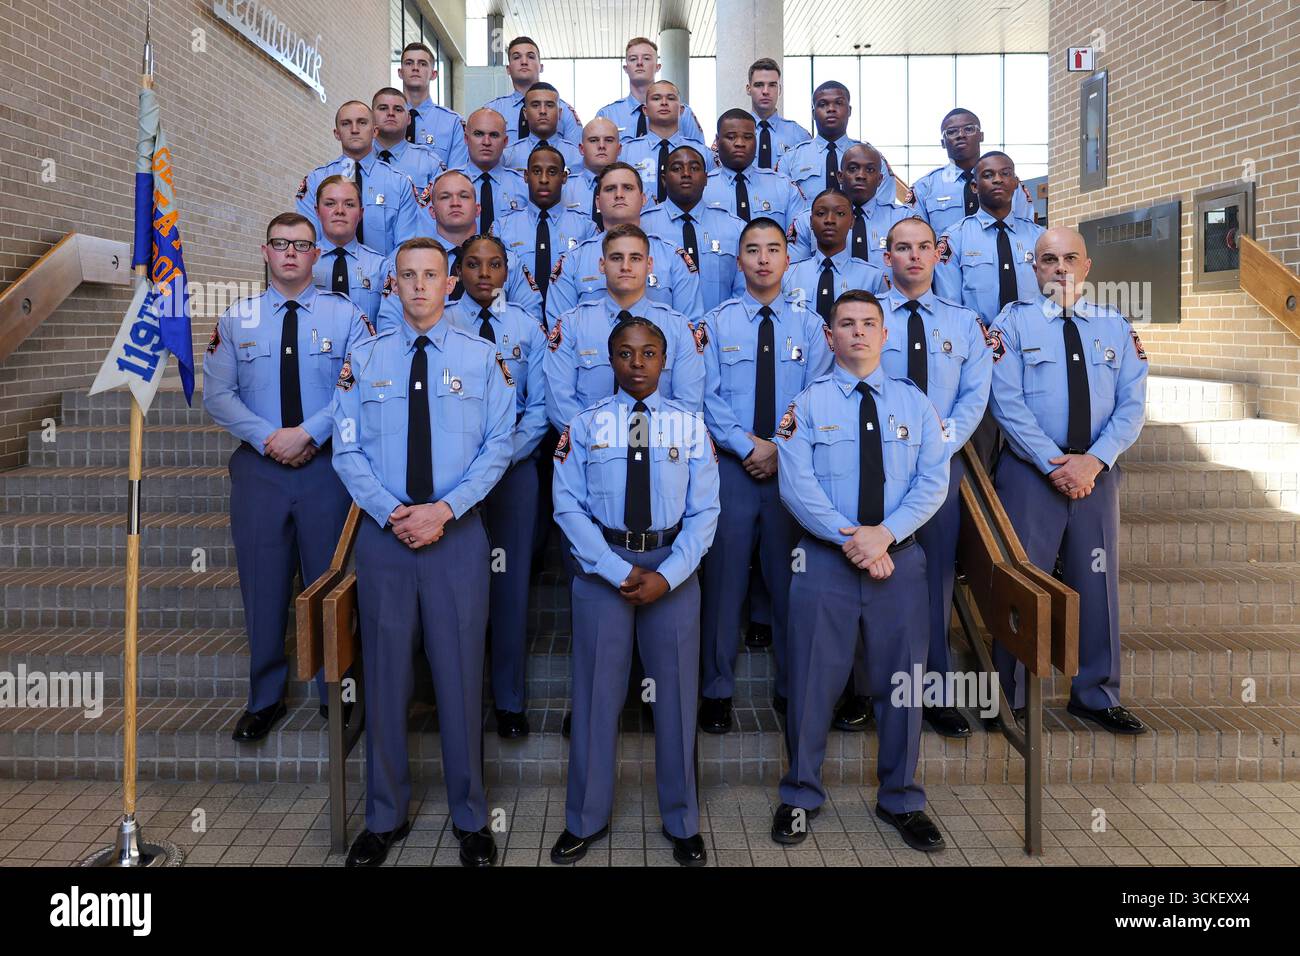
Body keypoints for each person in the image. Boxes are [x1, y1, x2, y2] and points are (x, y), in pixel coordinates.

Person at [331, 237, 514, 868]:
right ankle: (384, 815)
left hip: (457, 538)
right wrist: (391, 512)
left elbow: (499, 445)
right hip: (385, 540)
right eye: (406, 275)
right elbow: (347, 448)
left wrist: (444, 510)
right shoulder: (363, 360)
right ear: (394, 285)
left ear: (451, 284)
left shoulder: (485, 359)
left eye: (430, 274)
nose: (417, 285)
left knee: (461, 677)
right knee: (384, 678)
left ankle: (470, 816)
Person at [772, 289, 948, 853]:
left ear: (884, 332)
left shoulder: (915, 404)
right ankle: (800, 795)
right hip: (826, 561)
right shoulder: (807, 405)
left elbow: (932, 481)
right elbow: (797, 487)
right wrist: (854, 540)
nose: (858, 333)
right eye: (846, 324)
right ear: (829, 336)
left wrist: (885, 535)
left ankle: (901, 797)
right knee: (810, 682)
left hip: (900, 560)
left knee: (902, 684)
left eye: (868, 323)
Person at [550, 315, 720, 865]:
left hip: (671, 567)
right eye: (626, 354)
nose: (638, 364)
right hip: (605, 568)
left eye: (649, 354)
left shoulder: (690, 428)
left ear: (664, 360)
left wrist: (669, 574)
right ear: (611, 359)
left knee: (674, 699)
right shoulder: (584, 425)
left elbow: (705, 511)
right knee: (598, 696)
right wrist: (608, 566)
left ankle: (682, 819)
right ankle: (586, 817)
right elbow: (567, 506)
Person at [203, 213, 371, 742]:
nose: (292, 253)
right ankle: (265, 697)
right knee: (263, 583)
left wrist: (310, 434)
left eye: (302, 244)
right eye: (281, 244)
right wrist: (267, 437)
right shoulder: (237, 319)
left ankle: (334, 693)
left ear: (316, 254)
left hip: (327, 468)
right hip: (261, 471)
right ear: (266, 251)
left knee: (330, 585)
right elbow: (218, 395)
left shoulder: (346, 317)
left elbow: (358, 386)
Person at [988, 226, 1148, 735]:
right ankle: (1005, 697)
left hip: (1096, 475)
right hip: (1032, 473)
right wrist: (1055, 462)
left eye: (1070, 258)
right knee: (1022, 583)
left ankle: (1096, 694)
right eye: (1049, 259)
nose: (1060, 268)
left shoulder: (1115, 326)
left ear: (1087, 267)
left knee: (1097, 581)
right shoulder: (1011, 326)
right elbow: (1005, 402)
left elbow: (1132, 404)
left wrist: (1095, 461)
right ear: (1034, 268)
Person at [698, 218, 831, 732]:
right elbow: (704, 395)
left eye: (773, 249)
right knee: (724, 582)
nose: (762, 259)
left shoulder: (809, 324)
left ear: (786, 260)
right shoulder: (716, 323)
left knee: (789, 581)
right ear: (739, 260)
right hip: (731, 469)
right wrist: (744, 444)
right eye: (752, 250)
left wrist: (779, 448)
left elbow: (818, 394)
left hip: (790, 473)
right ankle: (715, 689)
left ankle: (791, 688)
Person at [871, 215, 991, 739]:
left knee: (937, 581)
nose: (914, 256)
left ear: (938, 255)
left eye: (923, 247)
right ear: (886, 256)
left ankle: (935, 693)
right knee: (875, 578)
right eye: (902, 248)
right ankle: (870, 689)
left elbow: (974, 395)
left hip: (941, 467)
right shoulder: (868, 318)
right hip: (878, 469)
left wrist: (939, 446)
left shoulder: (964, 322)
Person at [446, 235, 549, 738]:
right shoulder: (441, 323)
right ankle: (456, 699)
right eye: (473, 264)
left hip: (512, 476)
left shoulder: (527, 327)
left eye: (494, 264)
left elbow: (541, 407)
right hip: (452, 481)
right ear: (458, 270)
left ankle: (509, 700)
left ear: (508, 270)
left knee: (509, 590)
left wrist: (500, 459)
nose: (484, 273)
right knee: (456, 590)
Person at [544, 223, 706, 430]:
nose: (626, 266)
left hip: (661, 450)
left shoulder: (679, 328)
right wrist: (602, 445)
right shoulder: (570, 326)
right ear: (602, 265)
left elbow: (688, 405)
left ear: (649, 265)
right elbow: (560, 402)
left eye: (635, 258)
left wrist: (645, 442)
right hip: (589, 452)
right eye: (616, 257)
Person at [376, 170, 543, 326]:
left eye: (463, 196)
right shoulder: (407, 261)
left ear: (478, 210)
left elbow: (531, 322)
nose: (455, 203)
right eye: (445, 197)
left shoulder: (507, 262)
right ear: (432, 212)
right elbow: (390, 323)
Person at [544, 162, 703, 326]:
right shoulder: (572, 260)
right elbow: (560, 331)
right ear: (597, 202)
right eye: (610, 189)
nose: (619, 194)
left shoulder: (673, 256)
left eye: (627, 188)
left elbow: (689, 328)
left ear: (643, 199)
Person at [295, 100, 428, 257]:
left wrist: (382, 274)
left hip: (384, 278)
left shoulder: (399, 183)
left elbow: (406, 246)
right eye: (346, 124)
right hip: (324, 277)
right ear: (336, 133)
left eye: (362, 123)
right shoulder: (315, 182)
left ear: (375, 131)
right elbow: (307, 241)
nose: (354, 130)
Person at [933, 152, 1045, 326]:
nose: (998, 179)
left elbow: (1053, 296)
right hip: (979, 342)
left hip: (1034, 337)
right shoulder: (954, 239)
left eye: (1005, 173)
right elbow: (950, 308)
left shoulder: (1040, 237)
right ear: (974, 186)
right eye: (988, 175)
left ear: (1015, 183)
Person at [494, 143, 598, 318]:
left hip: (570, 325)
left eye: (552, 172)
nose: (543, 179)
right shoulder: (502, 227)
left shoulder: (586, 228)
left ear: (564, 177)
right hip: (518, 326)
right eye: (536, 171)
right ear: (526, 176)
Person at [640, 145, 745, 312]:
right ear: (664, 179)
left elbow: (743, 290)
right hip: (661, 333)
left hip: (721, 333)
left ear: (706, 178)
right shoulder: (643, 227)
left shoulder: (734, 228)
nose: (686, 174)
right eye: (676, 168)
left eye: (694, 168)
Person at [911, 108, 1033, 239]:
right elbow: (915, 238)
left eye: (969, 129)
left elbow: (1025, 231)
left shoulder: (1009, 184)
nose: (961, 135)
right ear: (943, 143)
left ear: (981, 136)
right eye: (951, 132)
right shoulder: (924, 188)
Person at [789, 144, 913, 268]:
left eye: (870, 170)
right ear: (840, 176)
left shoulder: (903, 219)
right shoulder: (806, 220)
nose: (861, 175)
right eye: (853, 168)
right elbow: (795, 274)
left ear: (880, 179)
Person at [784, 189, 889, 321]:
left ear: (852, 222)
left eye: (840, 213)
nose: (829, 220)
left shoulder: (873, 278)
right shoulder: (788, 276)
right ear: (811, 222)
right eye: (821, 213)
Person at [703, 109, 804, 228]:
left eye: (747, 137)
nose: (740, 143)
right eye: (731, 137)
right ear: (717, 140)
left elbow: (798, 240)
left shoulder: (784, 186)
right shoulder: (701, 190)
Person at [597, 36, 706, 142]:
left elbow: (699, 154)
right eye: (633, 59)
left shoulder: (682, 113)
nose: (639, 63)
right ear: (626, 68)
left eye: (646, 58)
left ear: (658, 67)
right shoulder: (607, 115)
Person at [621, 80, 714, 204]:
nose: (664, 103)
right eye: (656, 98)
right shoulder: (625, 152)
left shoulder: (702, 153)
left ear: (681, 110)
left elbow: (712, 193)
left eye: (671, 98)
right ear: (645, 110)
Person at [310, 175, 387, 324]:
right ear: (317, 211)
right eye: (330, 203)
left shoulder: (381, 267)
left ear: (361, 213)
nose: (339, 211)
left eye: (349, 205)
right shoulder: (303, 261)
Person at [483, 36, 583, 144]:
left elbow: (576, 155)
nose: (524, 62)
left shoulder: (563, 111)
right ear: (508, 69)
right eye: (516, 57)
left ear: (541, 67)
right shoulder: (492, 110)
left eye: (530, 56)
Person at [452, 108, 530, 233]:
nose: (486, 142)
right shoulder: (445, 185)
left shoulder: (524, 187)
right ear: (466, 139)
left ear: (505, 142)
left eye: (494, 135)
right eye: (478, 134)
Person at [397, 41, 469, 170]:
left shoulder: (453, 123)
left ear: (434, 74)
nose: (415, 68)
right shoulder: (385, 118)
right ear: (400, 73)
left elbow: (456, 174)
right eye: (409, 63)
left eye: (422, 64)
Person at [745, 57, 811, 170]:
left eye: (772, 85)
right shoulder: (733, 134)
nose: (765, 91)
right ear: (748, 89)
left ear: (779, 89)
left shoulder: (799, 136)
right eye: (759, 85)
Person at [501, 82, 583, 173]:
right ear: (525, 113)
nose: (543, 111)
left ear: (560, 113)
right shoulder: (508, 157)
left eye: (549, 105)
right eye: (535, 105)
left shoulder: (578, 158)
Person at [370, 87, 442, 190]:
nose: (390, 113)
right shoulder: (358, 159)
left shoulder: (429, 163)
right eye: (383, 108)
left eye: (398, 109)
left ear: (409, 119)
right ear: (371, 116)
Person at [560, 118, 622, 229]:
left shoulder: (635, 189)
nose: (601, 146)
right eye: (593, 140)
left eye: (608, 140)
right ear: (582, 149)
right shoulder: (563, 189)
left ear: (619, 149)